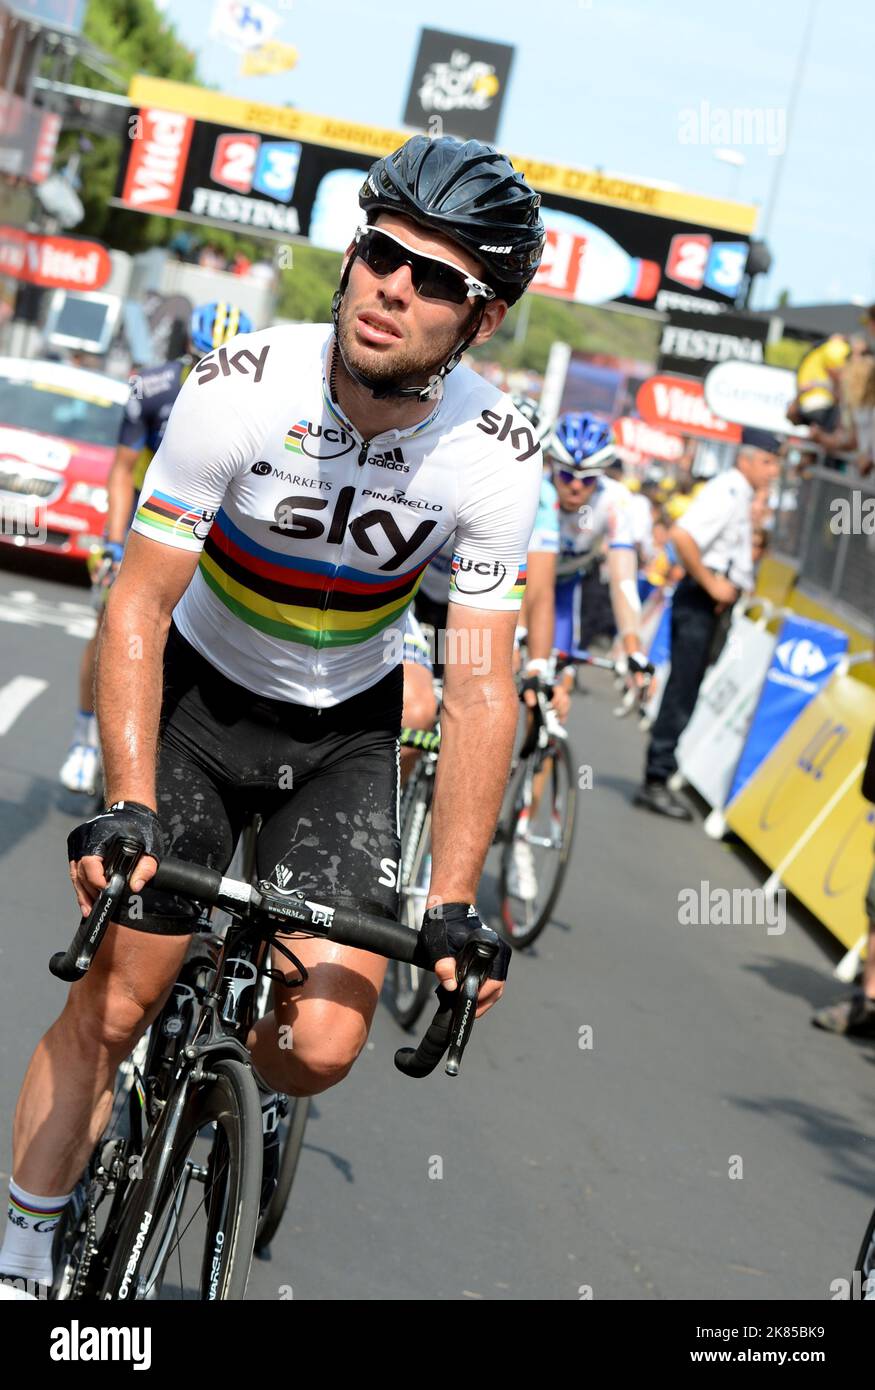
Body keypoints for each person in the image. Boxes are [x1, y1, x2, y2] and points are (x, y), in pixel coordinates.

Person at [0, 134, 545, 1298]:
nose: (394, 288)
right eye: (381, 256)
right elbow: (138, 602)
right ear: (350, 258)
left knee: (321, 1045)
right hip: (198, 703)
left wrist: (452, 901)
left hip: (342, 733)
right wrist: (127, 801)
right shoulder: (241, 384)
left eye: (437, 278)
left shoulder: (495, 455)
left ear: (480, 319)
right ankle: (24, 1241)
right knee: (115, 1000)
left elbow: (482, 682)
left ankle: (209, 1072)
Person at [59, 302, 254, 795]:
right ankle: (84, 737)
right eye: (201, 361)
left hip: (211, 531)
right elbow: (122, 471)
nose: (211, 374)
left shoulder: (255, 401)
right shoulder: (154, 387)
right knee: (109, 623)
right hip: (146, 521)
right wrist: (109, 541)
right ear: (187, 352)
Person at [633, 428, 781, 819]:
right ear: (745, 459)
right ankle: (655, 777)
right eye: (767, 461)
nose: (774, 470)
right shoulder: (728, 490)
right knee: (682, 689)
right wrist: (713, 584)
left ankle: (661, 770)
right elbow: (683, 537)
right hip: (701, 601)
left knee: (689, 687)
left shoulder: (742, 494)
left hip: (710, 602)